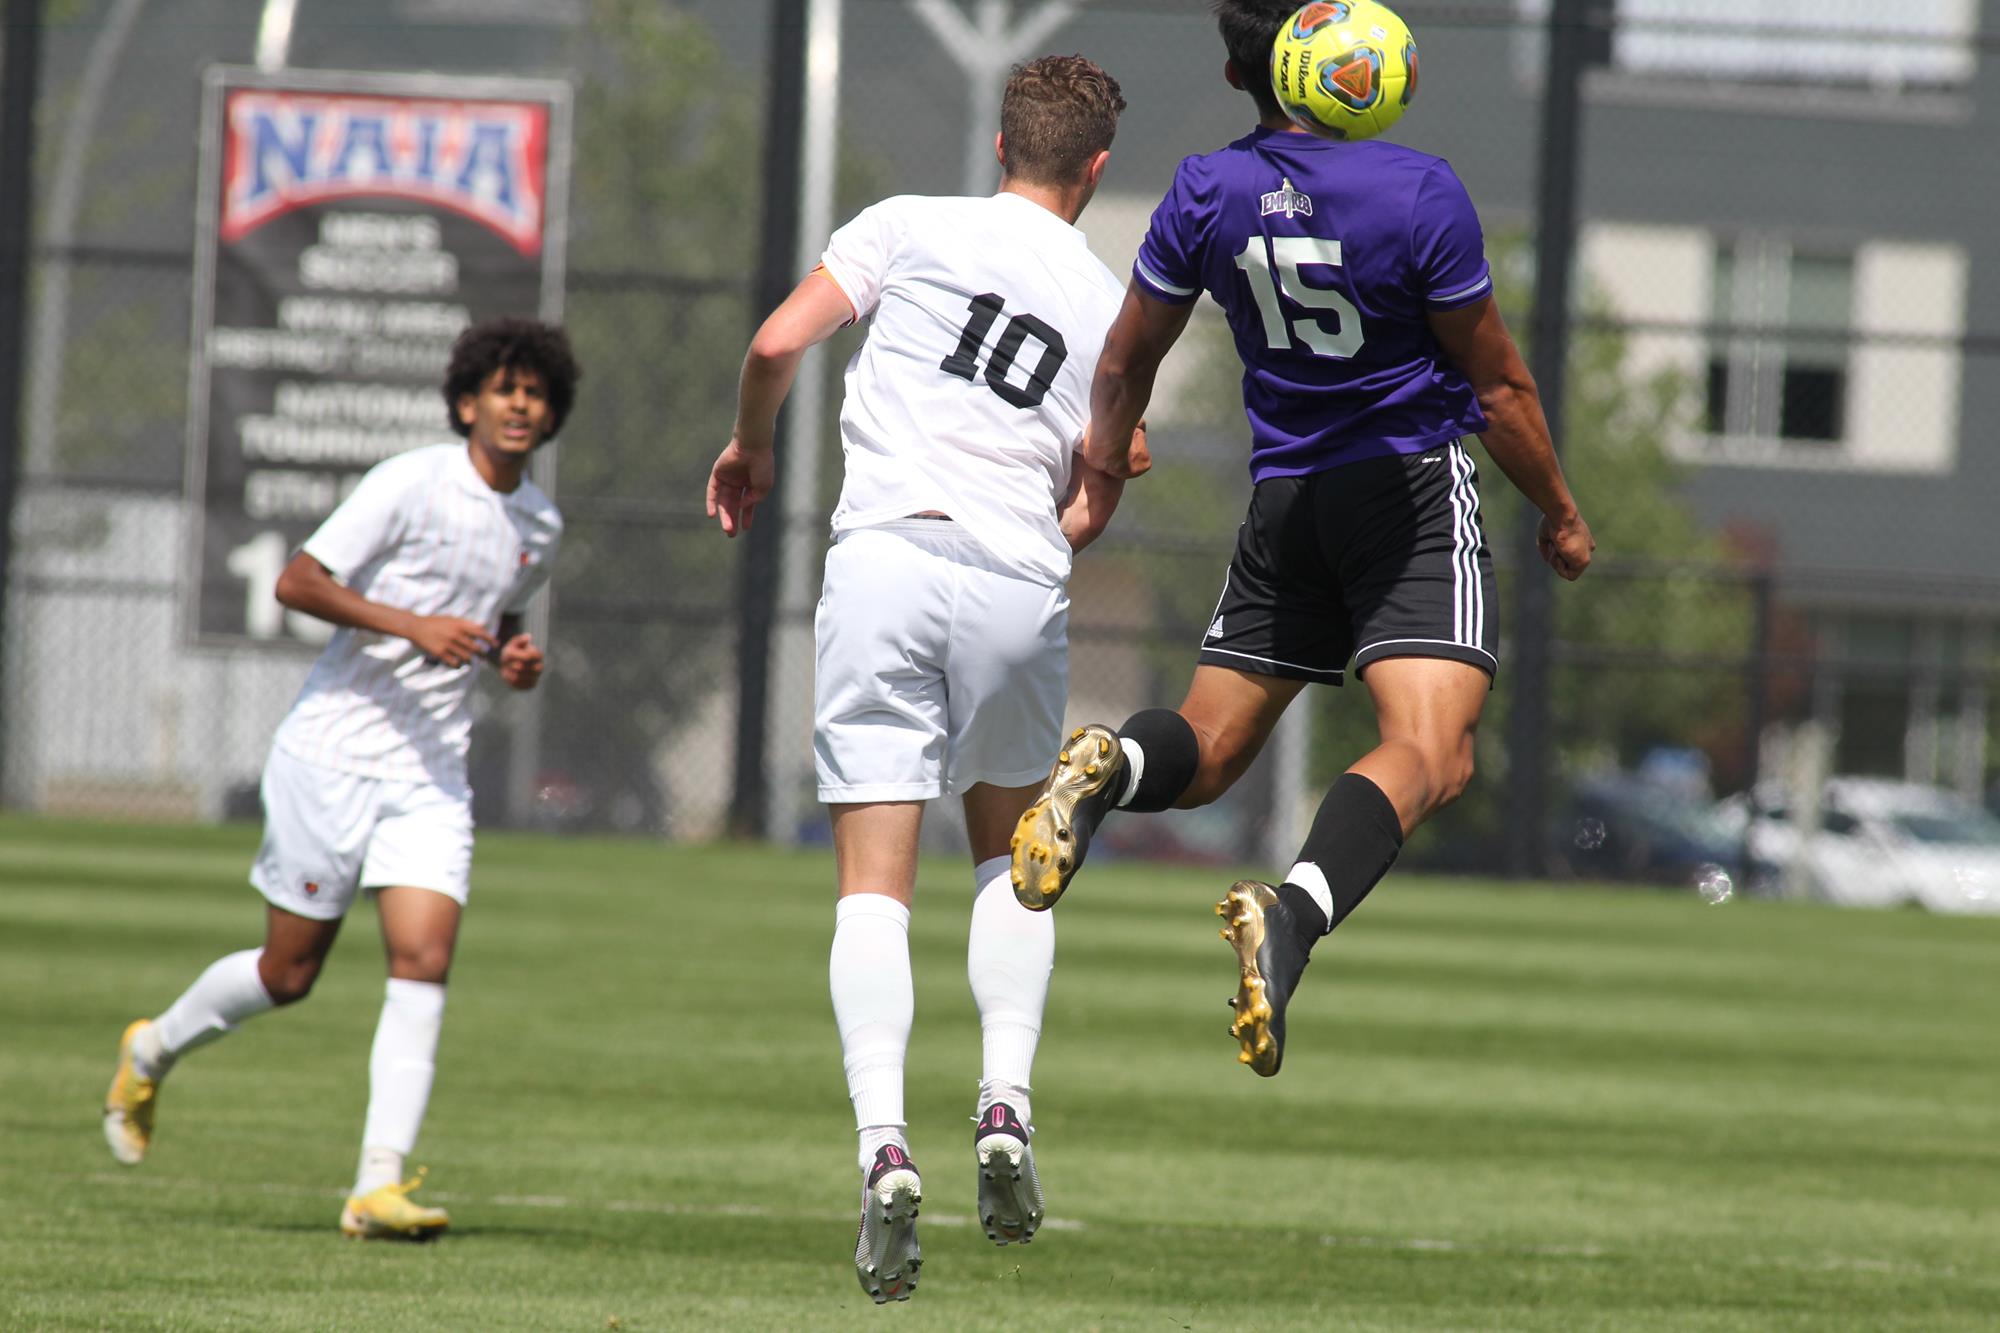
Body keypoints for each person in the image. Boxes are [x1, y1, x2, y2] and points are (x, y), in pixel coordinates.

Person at [1009, 0, 1595, 1079]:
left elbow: (1119, 366)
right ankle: (1293, 912)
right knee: (1435, 749)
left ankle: (1110, 764)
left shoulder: (1205, 190)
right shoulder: (1418, 191)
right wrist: (1556, 507)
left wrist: (1101, 470)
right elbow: (1499, 385)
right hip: (1405, 496)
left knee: (1205, 749)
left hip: (1287, 503)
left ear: (1240, 80)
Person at [706, 55, 1139, 1304]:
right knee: (1010, 858)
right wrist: (1093, 479)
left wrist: (748, 445)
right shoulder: (1107, 302)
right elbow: (1102, 477)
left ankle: (883, 1142)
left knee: (871, 887)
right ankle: (1003, 1103)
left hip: (889, 555)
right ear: (1095, 168)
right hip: (1011, 576)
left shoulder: (906, 226)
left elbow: (777, 340)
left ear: (1001, 142)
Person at [102, 317, 579, 1240]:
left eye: (538, 391)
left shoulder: (540, 524)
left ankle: (376, 1184)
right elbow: (298, 581)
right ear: (467, 401)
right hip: (332, 752)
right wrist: (412, 625)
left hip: (432, 770)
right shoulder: (410, 481)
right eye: (505, 387)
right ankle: (152, 1045)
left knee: (424, 959)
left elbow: (500, 613)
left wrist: (514, 655)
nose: (521, 403)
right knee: (289, 972)